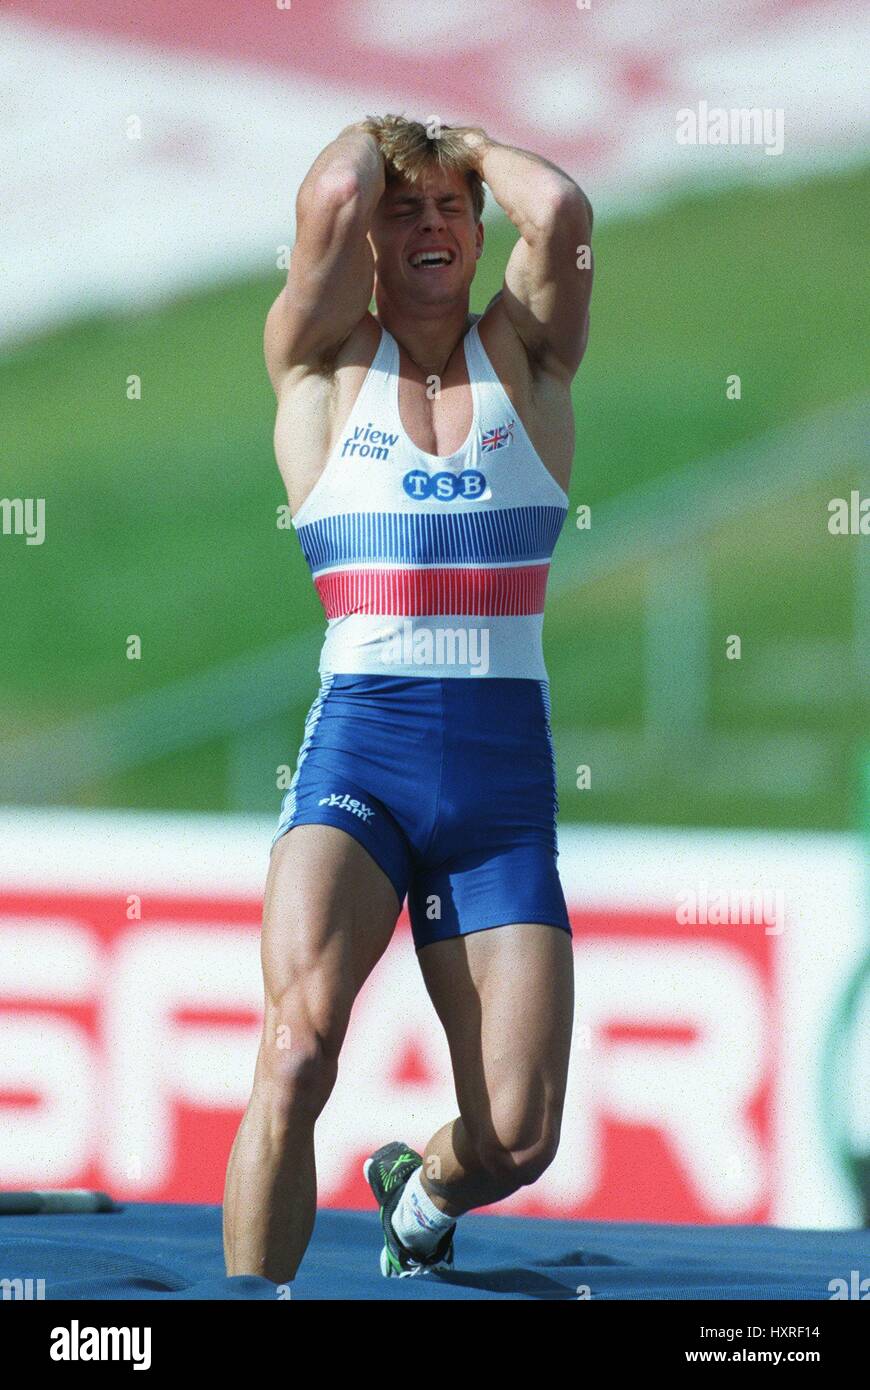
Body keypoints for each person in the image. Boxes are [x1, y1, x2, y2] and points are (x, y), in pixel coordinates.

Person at [223, 114, 593, 1282]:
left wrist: (467, 149)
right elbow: (332, 184)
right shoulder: (322, 369)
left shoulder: (526, 360)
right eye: (405, 208)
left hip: (498, 794)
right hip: (363, 763)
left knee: (519, 1138)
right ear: (369, 241)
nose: (429, 225)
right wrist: (394, 151)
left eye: (450, 208)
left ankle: (419, 1196)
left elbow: (567, 218)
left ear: (480, 226)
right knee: (294, 1051)